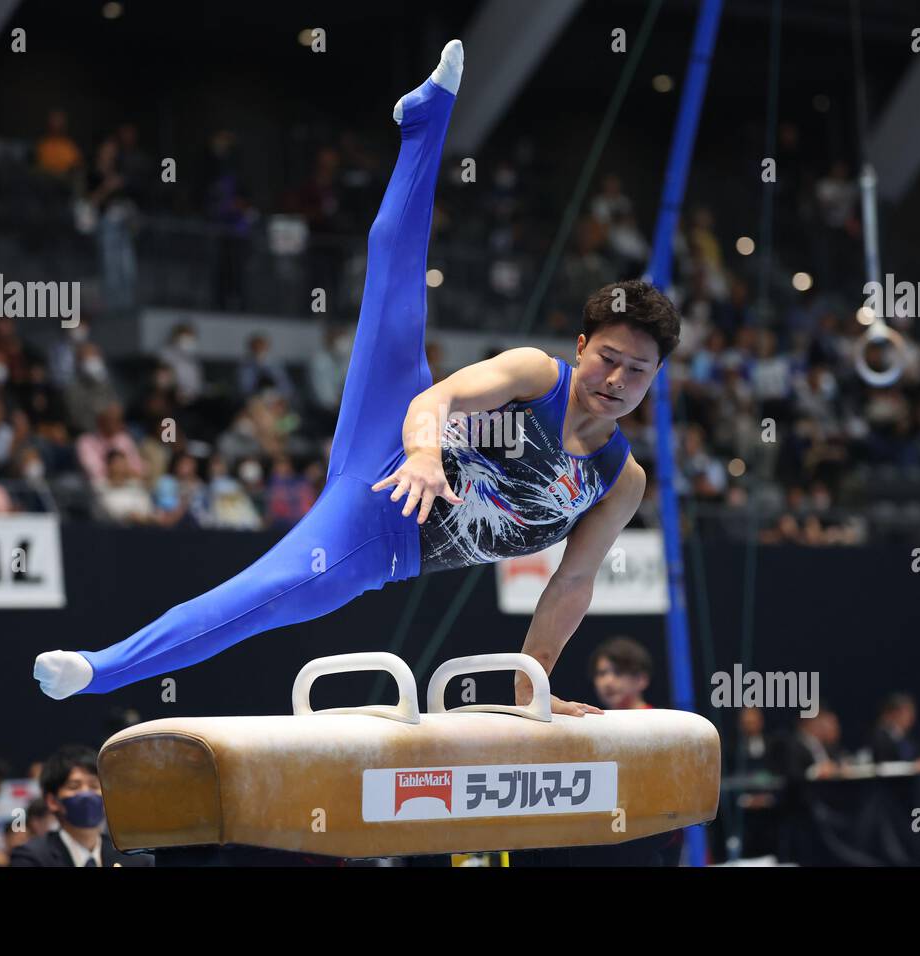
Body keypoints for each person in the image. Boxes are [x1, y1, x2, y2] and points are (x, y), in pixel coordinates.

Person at [34, 41, 672, 720]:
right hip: (389, 469)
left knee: (267, 597)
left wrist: (530, 688)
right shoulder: (537, 375)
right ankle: (427, 121)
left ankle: (103, 667)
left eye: (637, 370)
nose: (616, 378)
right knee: (397, 284)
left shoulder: (618, 480)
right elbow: (440, 397)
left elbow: (571, 582)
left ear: (655, 379)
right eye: (607, 356)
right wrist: (426, 455)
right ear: (581, 347)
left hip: (381, 541)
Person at [8, 745, 152, 867]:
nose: (86, 793)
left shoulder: (133, 858)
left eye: (94, 785)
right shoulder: (31, 858)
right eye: (74, 786)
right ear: (52, 801)